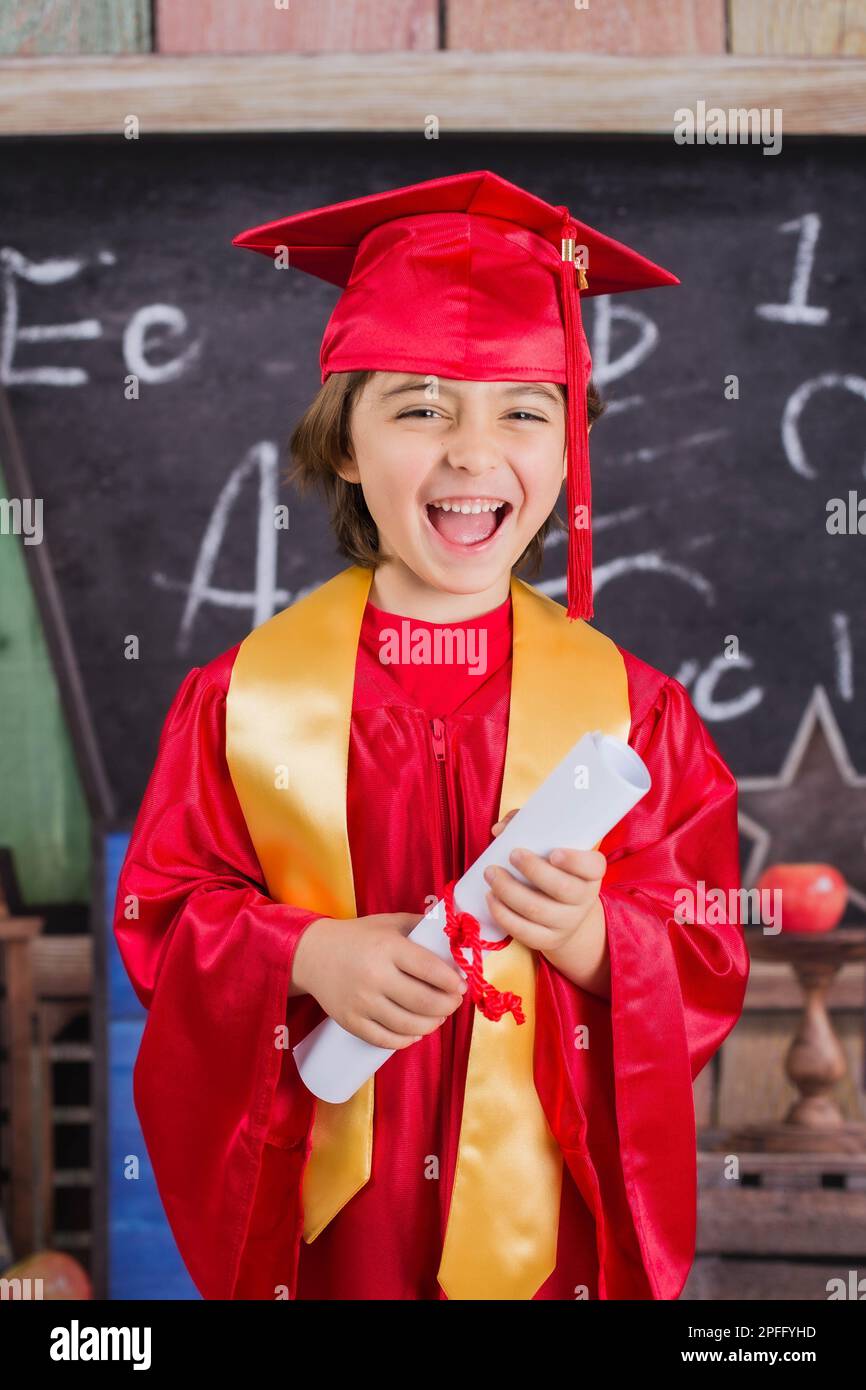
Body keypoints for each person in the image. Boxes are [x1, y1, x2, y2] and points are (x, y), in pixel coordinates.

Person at [113, 169, 749, 1301]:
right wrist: (307, 953)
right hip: (331, 1230)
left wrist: (597, 940)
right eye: (418, 406)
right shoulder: (244, 700)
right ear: (345, 445)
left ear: (567, 452)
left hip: (541, 1233)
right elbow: (164, 913)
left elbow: (700, 950)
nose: (470, 451)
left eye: (521, 409)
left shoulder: (633, 714)